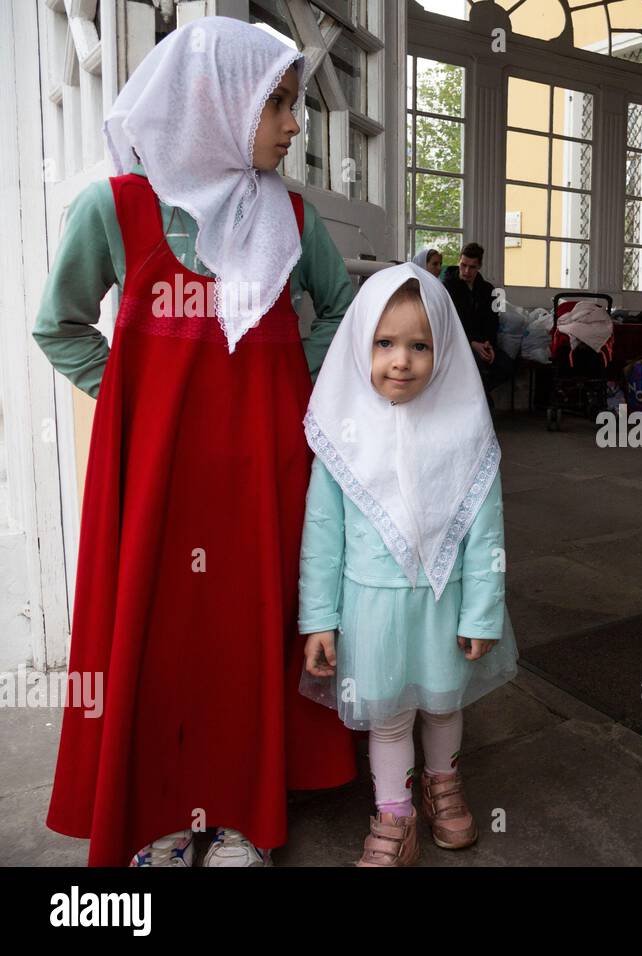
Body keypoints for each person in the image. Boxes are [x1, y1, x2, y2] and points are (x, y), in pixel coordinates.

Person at [33, 17, 357, 867]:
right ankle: (165, 812)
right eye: (279, 103)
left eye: (295, 103)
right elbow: (58, 327)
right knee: (164, 633)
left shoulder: (290, 216)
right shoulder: (116, 205)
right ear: (216, 102)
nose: (296, 125)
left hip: (262, 475)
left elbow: (341, 314)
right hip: (158, 481)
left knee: (249, 631)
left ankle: (246, 805)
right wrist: (132, 398)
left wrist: (294, 391)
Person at [298, 263, 518, 866]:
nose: (401, 360)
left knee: (444, 703)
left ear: (443, 350)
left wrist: (482, 612)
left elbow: (486, 532)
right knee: (389, 717)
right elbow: (323, 536)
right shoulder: (341, 437)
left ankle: (443, 783)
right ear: (359, 345)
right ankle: (394, 815)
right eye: (385, 343)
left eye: (419, 345)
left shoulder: (465, 432)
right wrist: (319, 618)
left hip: (445, 603)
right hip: (371, 611)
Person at [443, 242, 513, 398]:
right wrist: (472, 343)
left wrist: (489, 345)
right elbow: (449, 323)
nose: (466, 271)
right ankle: (481, 401)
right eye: (463, 265)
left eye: (472, 267)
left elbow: (493, 322)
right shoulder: (447, 287)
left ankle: (479, 396)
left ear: (479, 266)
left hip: (483, 343)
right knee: (477, 367)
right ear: (459, 261)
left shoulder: (489, 290)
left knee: (507, 366)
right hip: (459, 344)